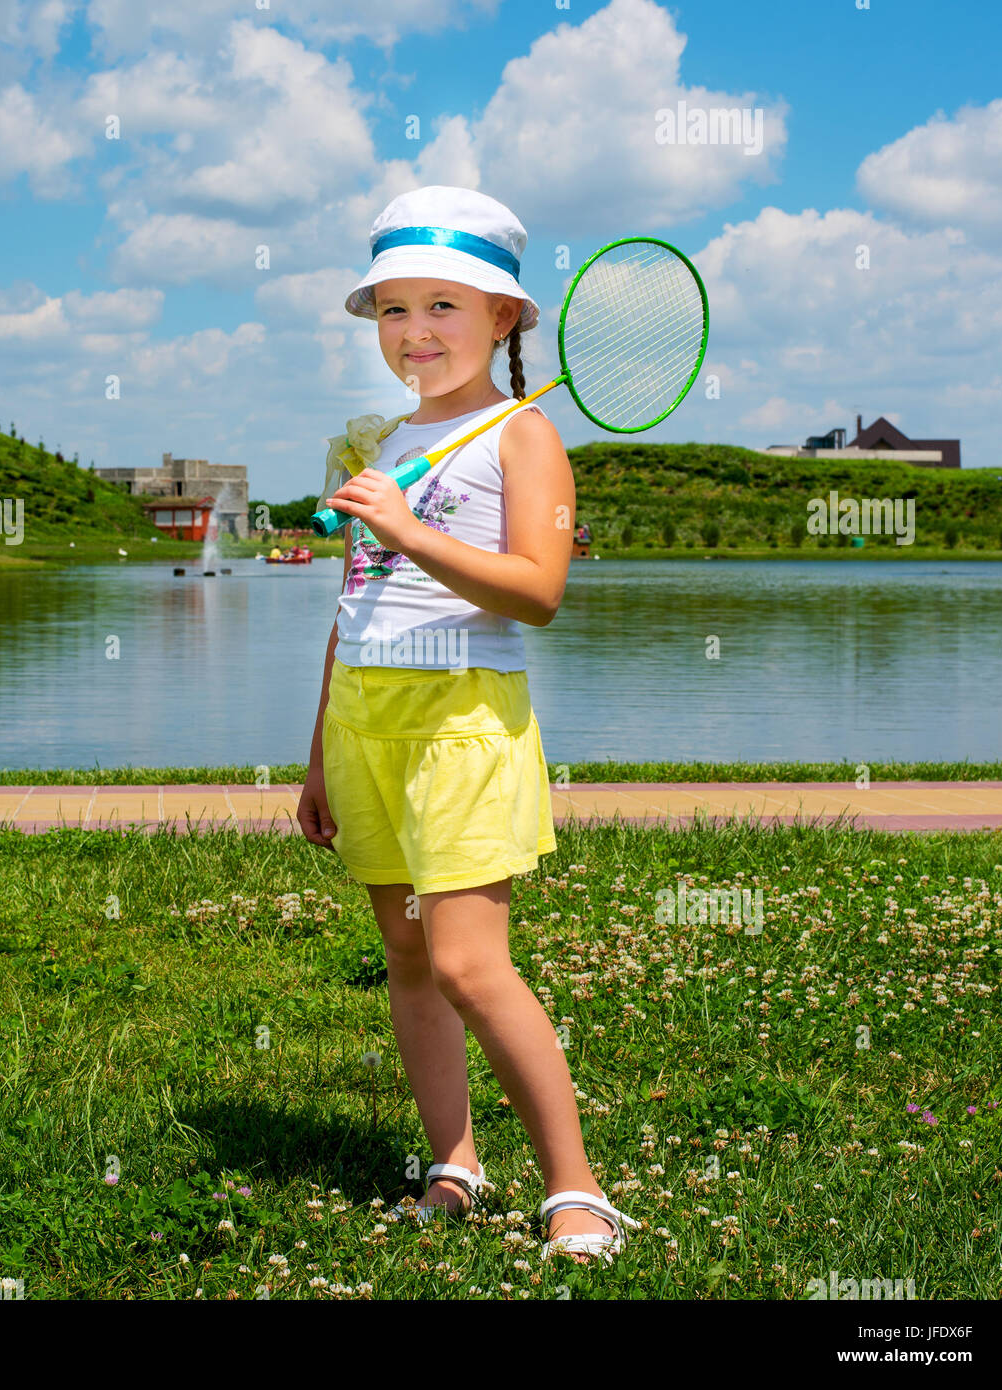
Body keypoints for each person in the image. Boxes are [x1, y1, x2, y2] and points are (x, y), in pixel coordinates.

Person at [296, 185, 639, 1266]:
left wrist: (404, 522)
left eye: (444, 305)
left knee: (467, 963)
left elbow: (536, 591)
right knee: (403, 953)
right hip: (365, 720)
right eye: (394, 310)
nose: (415, 333)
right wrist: (317, 753)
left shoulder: (523, 438)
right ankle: (456, 1161)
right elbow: (354, 601)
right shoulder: (378, 437)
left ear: (504, 320)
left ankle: (578, 1189)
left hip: (461, 720)